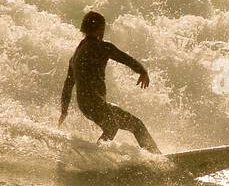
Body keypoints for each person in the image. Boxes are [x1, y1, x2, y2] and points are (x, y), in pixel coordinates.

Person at [59, 11, 160, 153]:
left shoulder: (75, 55)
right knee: (112, 126)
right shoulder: (102, 46)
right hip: (94, 102)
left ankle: (156, 156)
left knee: (135, 124)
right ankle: (97, 159)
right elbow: (126, 59)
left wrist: (64, 110)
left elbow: (68, 86)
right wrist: (142, 71)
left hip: (88, 103)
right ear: (101, 28)